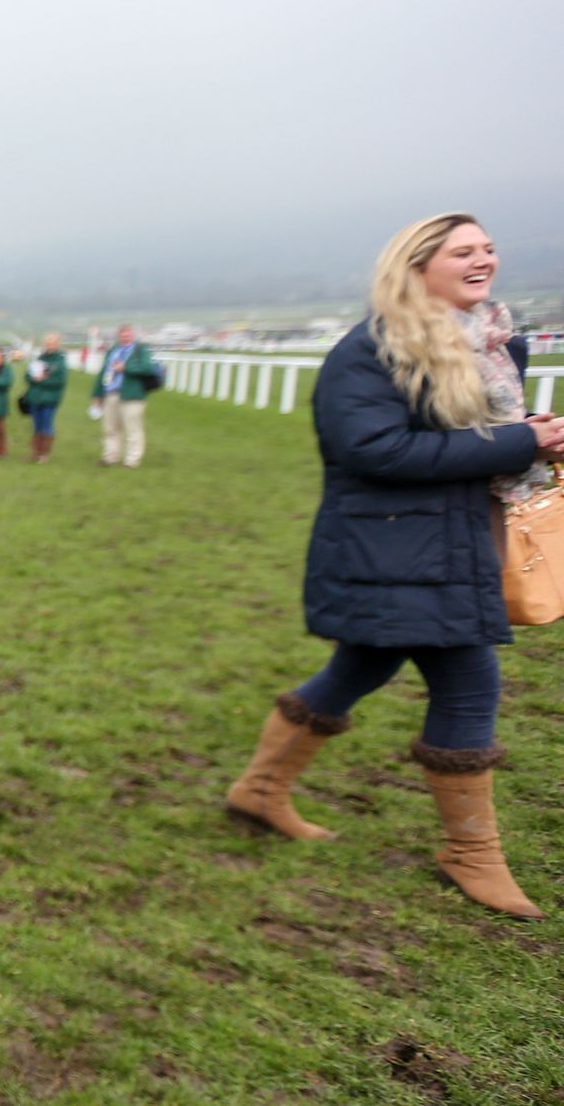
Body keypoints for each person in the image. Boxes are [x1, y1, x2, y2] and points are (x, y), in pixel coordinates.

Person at [224, 212, 564, 921]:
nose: (484, 259)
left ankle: (258, 792)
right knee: (470, 681)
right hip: (390, 548)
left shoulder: (495, 343)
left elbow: (476, 443)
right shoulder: (371, 349)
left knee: (363, 667)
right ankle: (472, 855)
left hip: (450, 544)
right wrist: (514, 443)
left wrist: (530, 445)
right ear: (415, 268)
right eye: (463, 251)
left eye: (489, 248)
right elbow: (376, 451)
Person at [90, 323, 161, 467]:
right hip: (111, 393)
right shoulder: (113, 351)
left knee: (133, 428)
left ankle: (132, 459)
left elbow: (148, 368)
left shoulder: (140, 350)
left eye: (128, 334)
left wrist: (126, 368)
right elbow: (104, 372)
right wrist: (97, 394)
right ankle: (111, 456)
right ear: (119, 336)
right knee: (110, 428)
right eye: (123, 334)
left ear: (133, 335)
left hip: (132, 395)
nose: (125, 336)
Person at [21, 332, 68, 462]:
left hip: (50, 399)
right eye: (47, 343)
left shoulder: (60, 361)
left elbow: (60, 381)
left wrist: (42, 380)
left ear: (57, 344)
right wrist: (33, 378)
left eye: (52, 343)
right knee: (36, 425)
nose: (49, 346)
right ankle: (35, 452)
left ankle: (44, 454)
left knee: (47, 425)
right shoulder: (40, 358)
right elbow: (27, 376)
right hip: (35, 398)